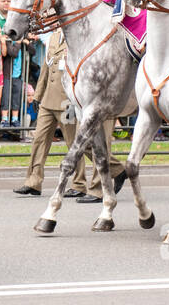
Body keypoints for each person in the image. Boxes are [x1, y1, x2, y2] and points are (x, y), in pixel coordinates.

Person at [14, 30, 125, 199]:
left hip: (67, 100)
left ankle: (79, 183)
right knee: (39, 140)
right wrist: (37, 95)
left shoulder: (77, 35)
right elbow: (46, 66)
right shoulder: (53, 36)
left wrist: (76, 99)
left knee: (75, 143)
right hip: (48, 98)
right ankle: (33, 182)